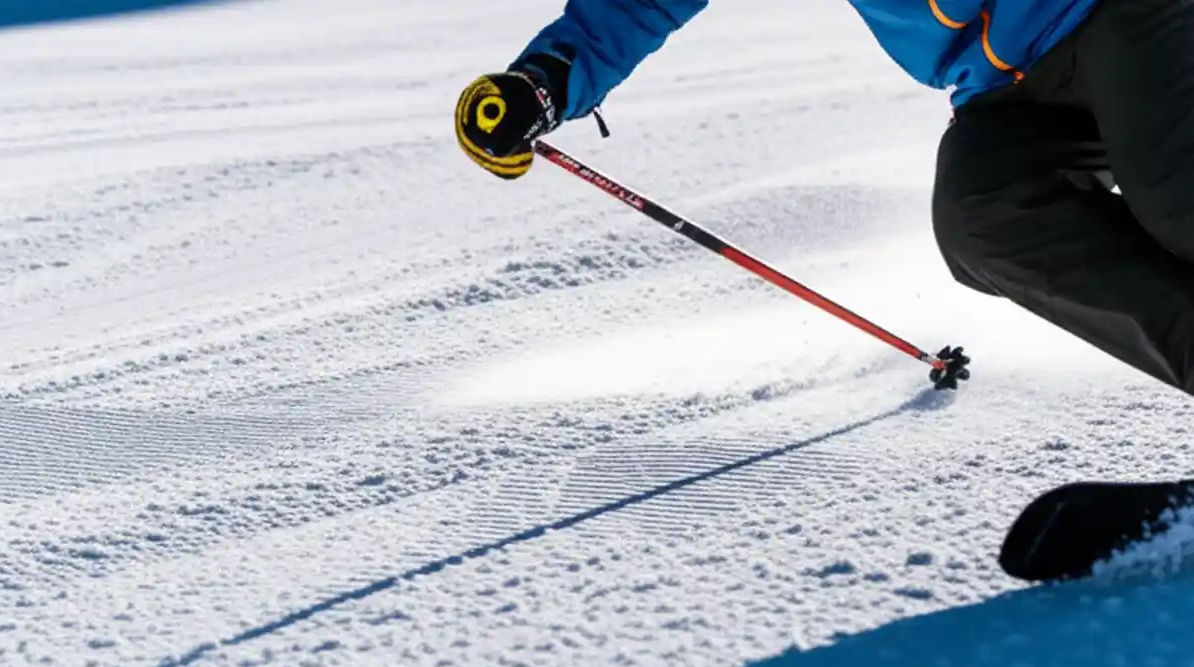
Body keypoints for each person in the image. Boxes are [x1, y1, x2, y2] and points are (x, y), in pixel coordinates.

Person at [454, 0, 1194, 395]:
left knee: (1176, 198)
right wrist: (546, 82)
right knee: (984, 214)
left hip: (1126, 13)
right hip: (1008, 85)